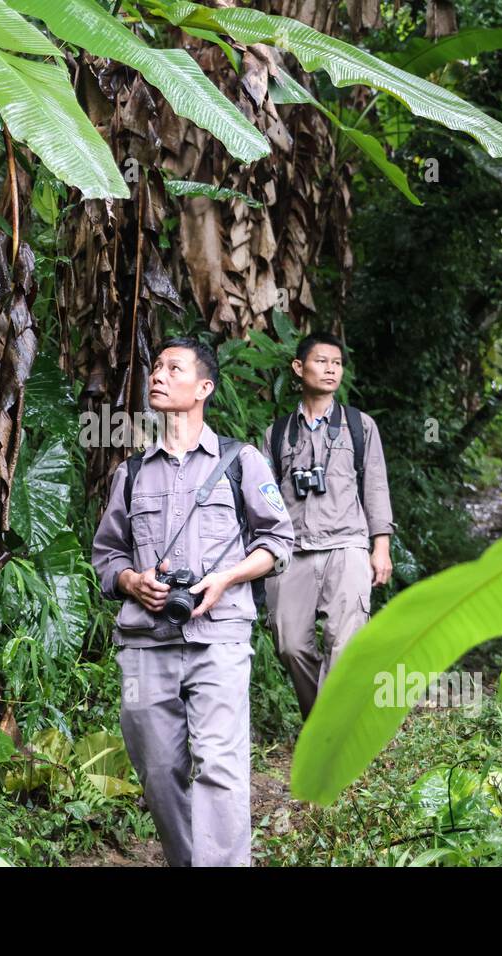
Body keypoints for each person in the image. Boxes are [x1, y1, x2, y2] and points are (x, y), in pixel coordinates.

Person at [90, 338, 294, 867]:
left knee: (221, 766)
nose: (157, 375)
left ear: (204, 387)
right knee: (157, 770)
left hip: (219, 636)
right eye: (155, 367)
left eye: (172, 368)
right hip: (144, 643)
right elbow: (106, 556)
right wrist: (133, 581)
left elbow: (278, 542)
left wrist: (226, 578)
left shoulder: (240, 461)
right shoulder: (131, 473)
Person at [262, 332, 395, 720]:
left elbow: (375, 484)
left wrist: (380, 546)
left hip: (347, 545)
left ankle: (329, 735)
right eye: (321, 361)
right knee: (289, 644)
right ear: (299, 368)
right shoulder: (278, 433)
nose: (331, 368)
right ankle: (321, 719)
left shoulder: (359, 426)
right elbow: (267, 500)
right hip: (294, 551)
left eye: (336, 363)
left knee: (345, 642)